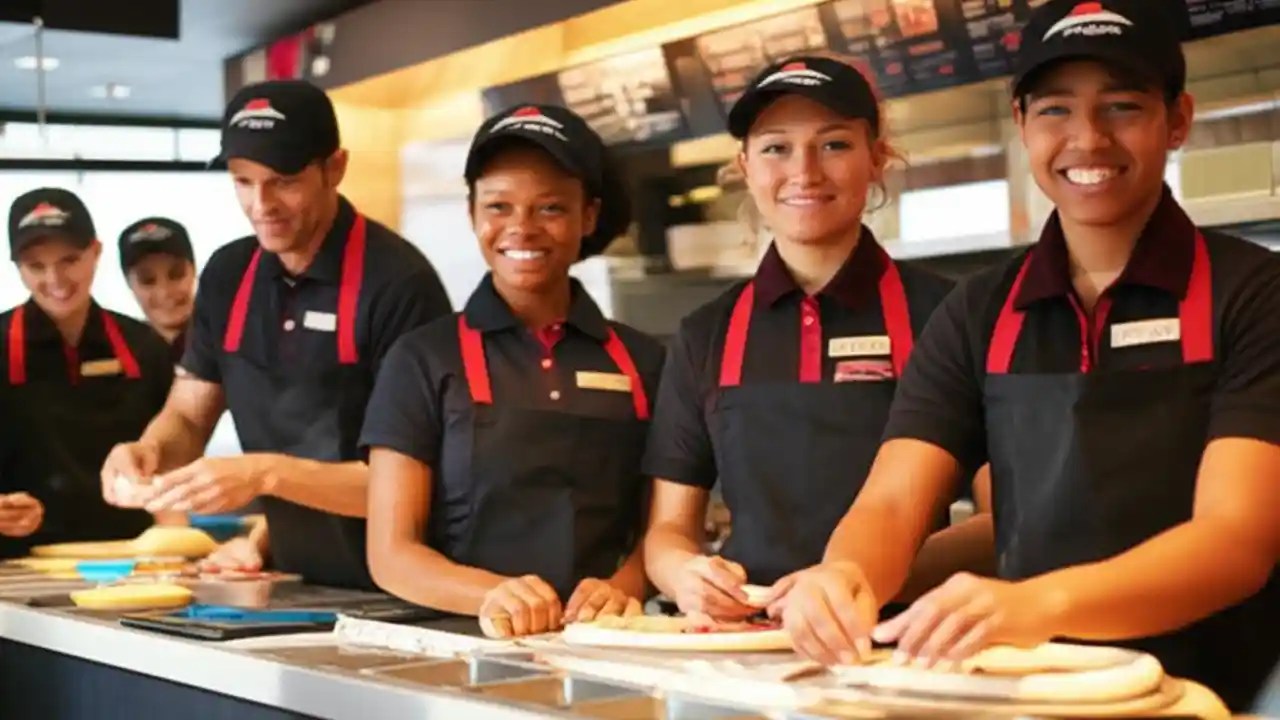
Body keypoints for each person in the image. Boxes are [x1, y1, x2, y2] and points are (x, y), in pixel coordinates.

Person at [779, 0, 1279, 710]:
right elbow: (894, 498)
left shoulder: (1256, 295)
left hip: (1215, 691)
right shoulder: (981, 310)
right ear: (1020, 124)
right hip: (1035, 691)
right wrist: (845, 572)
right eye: (1055, 111)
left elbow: (1235, 543)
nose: (1088, 139)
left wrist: (1036, 605)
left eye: (1123, 107)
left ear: (1178, 121)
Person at [641, 55, 984, 622]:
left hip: (907, 633)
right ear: (744, 165)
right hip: (749, 641)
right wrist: (686, 576)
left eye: (834, 145)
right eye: (776, 147)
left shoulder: (950, 314)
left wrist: (851, 579)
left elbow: (1003, 523)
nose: (805, 172)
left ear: (876, 159)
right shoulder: (707, 333)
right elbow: (668, 530)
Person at [100, 80, 452, 589]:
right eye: (243, 181)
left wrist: (265, 473)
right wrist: (149, 452)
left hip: (399, 587)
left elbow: (414, 486)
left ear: (335, 168)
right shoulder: (228, 274)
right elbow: (187, 414)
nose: (261, 203)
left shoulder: (397, 283)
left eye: (283, 180)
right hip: (292, 578)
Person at [360, 104, 663, 637]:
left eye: (550, 208)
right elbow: (392, 553)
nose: (521, 229)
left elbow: (664, 528)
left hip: (609, 643)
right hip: (459, 643)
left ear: (588, 216)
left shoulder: (646, 361)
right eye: (498, 206)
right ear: (473, 214)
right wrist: (492, 595)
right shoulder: (422, 358)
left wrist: (627, 587)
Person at [0, 188, 175, 557]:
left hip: (132, 559)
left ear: (96, 253)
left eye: (69, 260)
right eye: (36, 266)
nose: (56, 279)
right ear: (17, 268)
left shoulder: (144, 346)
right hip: (18, 565)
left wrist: (179, 542)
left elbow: (173, 456)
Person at [118, 217, 197, 363]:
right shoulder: (119, 354)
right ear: (129, 283)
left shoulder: (234, 343)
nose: (164, 292)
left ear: (194, 271)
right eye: (147, 280)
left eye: (176, 274)